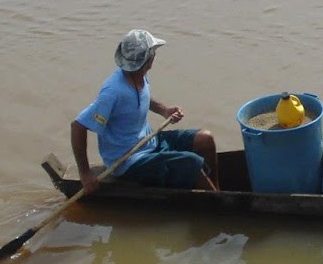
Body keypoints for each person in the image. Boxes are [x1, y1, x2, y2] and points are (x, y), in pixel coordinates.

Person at [71, 29, 218, 193]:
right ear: (147, 59)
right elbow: (78, 126)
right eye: (153, 52)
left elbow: (141, 98)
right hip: (128, 161)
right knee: (192, 163)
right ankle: (217, 203)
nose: (155, 55)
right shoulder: (113, 92)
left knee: (206, 139)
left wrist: (164, 110)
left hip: (150, 141)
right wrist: (85, 173)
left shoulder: (139, 75)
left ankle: (218, 192)